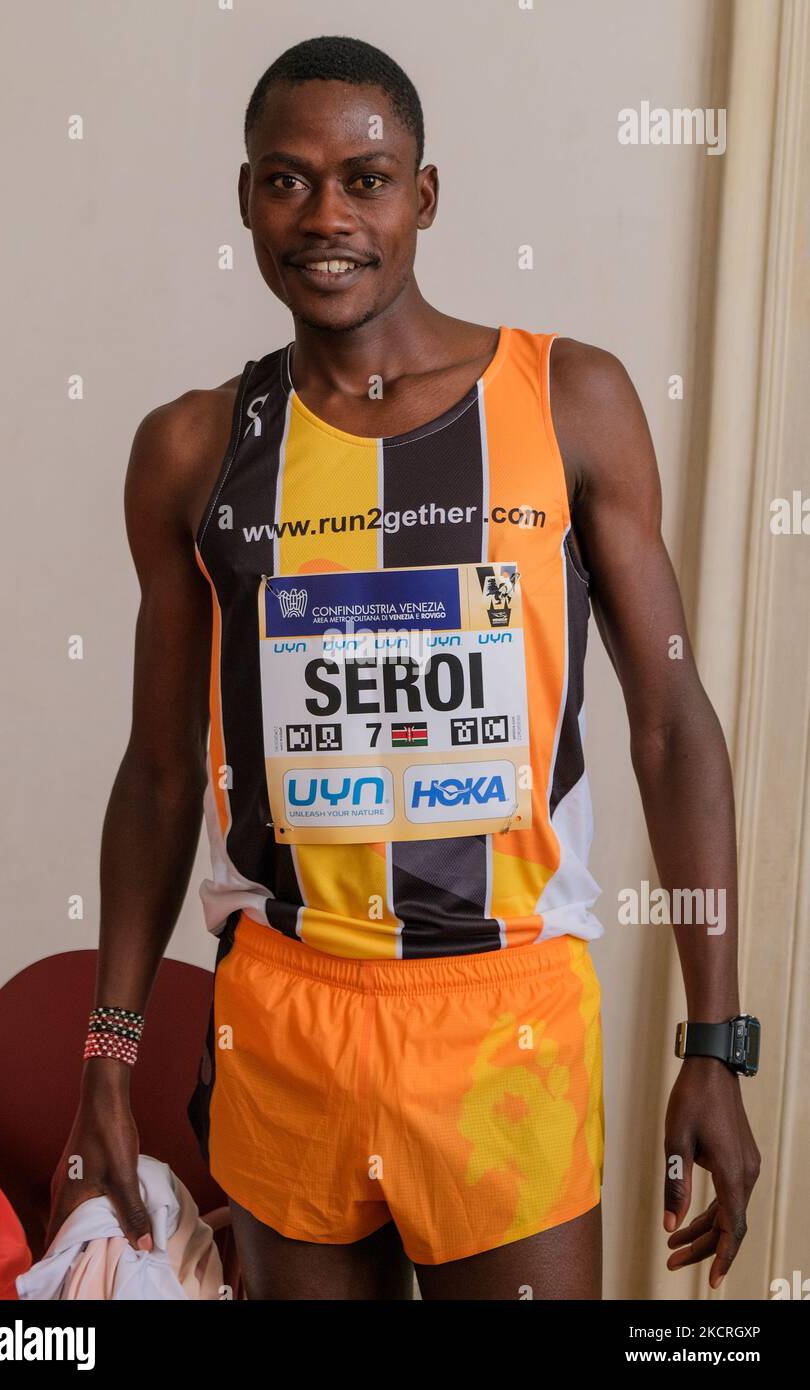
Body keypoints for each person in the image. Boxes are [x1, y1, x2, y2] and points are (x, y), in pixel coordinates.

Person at [47, 35, 760, 1301]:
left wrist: (716, 1039)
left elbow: (669, 725)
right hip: (285, 1011)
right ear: (246, 199)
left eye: (364, 178)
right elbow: (159, 774)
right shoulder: (193, 449)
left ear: (421, 197)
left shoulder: (567, 404)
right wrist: (109, 1052)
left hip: (504, 1013)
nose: (326, 216)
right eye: (286, 179)